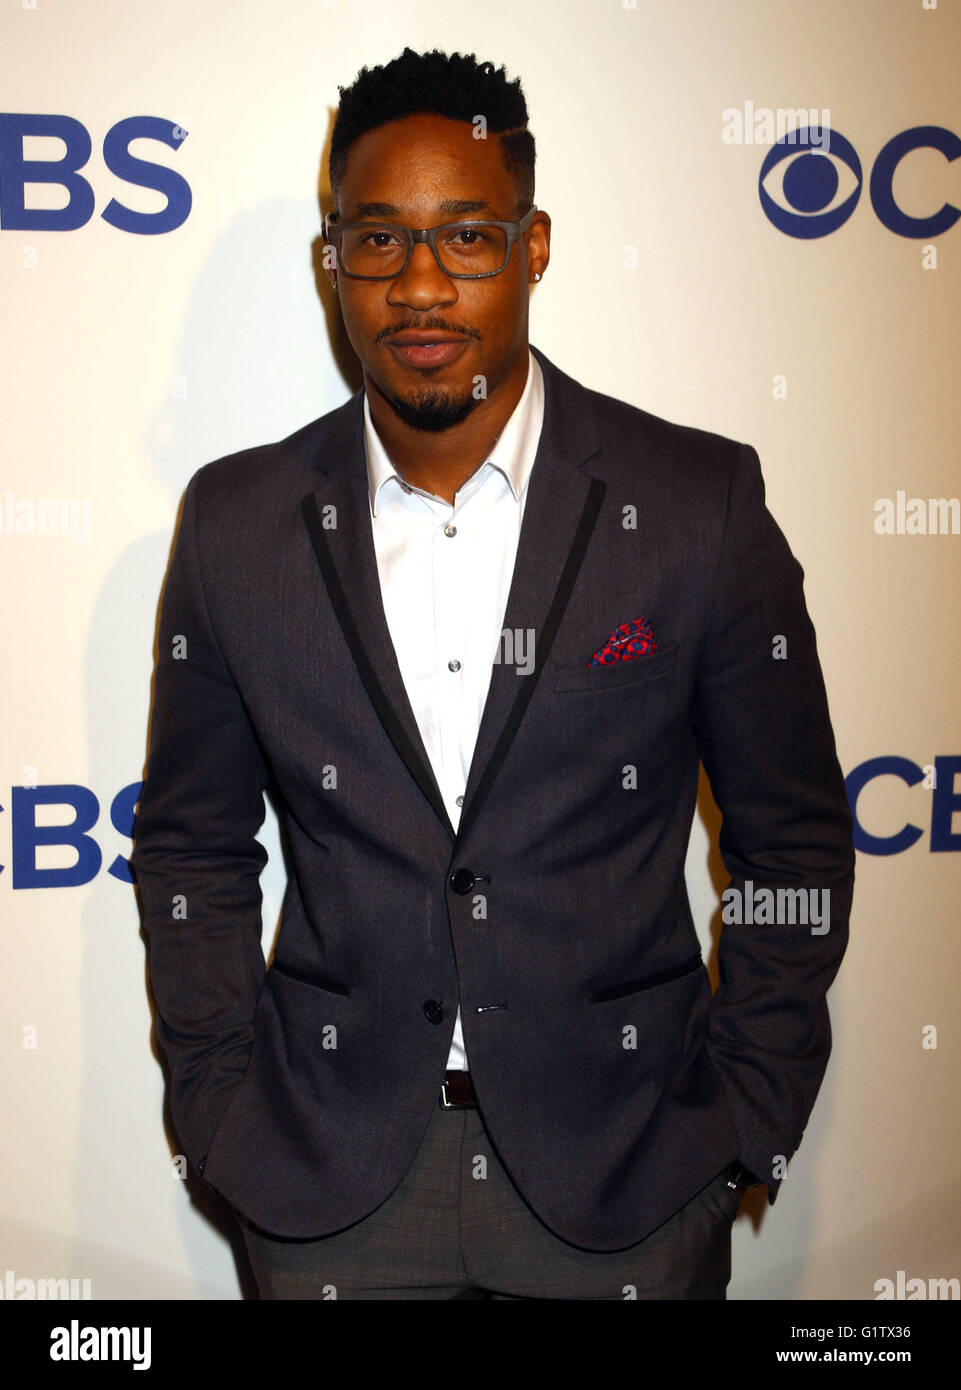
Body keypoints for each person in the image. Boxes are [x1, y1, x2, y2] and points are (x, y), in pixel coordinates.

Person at [131, 47, 855, 1300]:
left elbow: (793, 845)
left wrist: (742, 1109)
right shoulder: (235, 522)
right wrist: (220, 1107)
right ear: (332, 263)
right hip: (327, 1191)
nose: (418, 287)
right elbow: (192, 848)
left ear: (534, 246)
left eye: (465, 236)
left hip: (626, 1181)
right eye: (376, 241)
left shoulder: (695, 506)